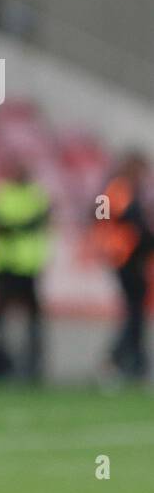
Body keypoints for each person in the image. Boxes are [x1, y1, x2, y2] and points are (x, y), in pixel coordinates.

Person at [0, 161, 51, 379]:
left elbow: (40, 221)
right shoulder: (0, 193)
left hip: (29, 265)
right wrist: (19, 226)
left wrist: (12, 226)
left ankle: (32, 363)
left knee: (33, 318)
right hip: (4, 262)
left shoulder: (37, 194)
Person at [93, 152, 153, 383]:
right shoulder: (116, 189)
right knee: (134, 312)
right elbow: (101, 214)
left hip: (130, 257)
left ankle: (134, 361)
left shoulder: (122, 189)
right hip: (125, 258)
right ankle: (117, 359)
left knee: (136, 312)